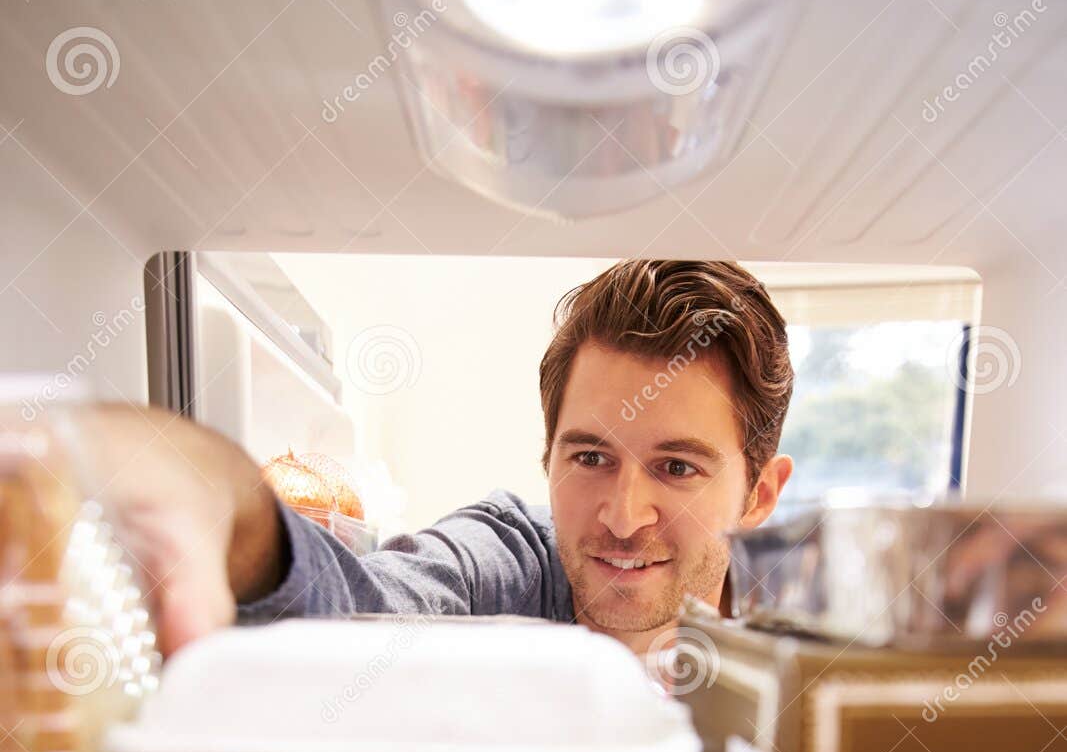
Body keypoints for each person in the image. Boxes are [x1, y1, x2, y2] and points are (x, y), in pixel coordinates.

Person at [71, 258, 794, 662]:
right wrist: (218, 495)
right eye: (590, 456)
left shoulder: (814, 657)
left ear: (760, 493)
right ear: (547, 457)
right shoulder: (507, 563)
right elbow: (353, 609)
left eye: (676, 467)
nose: (622, 515)